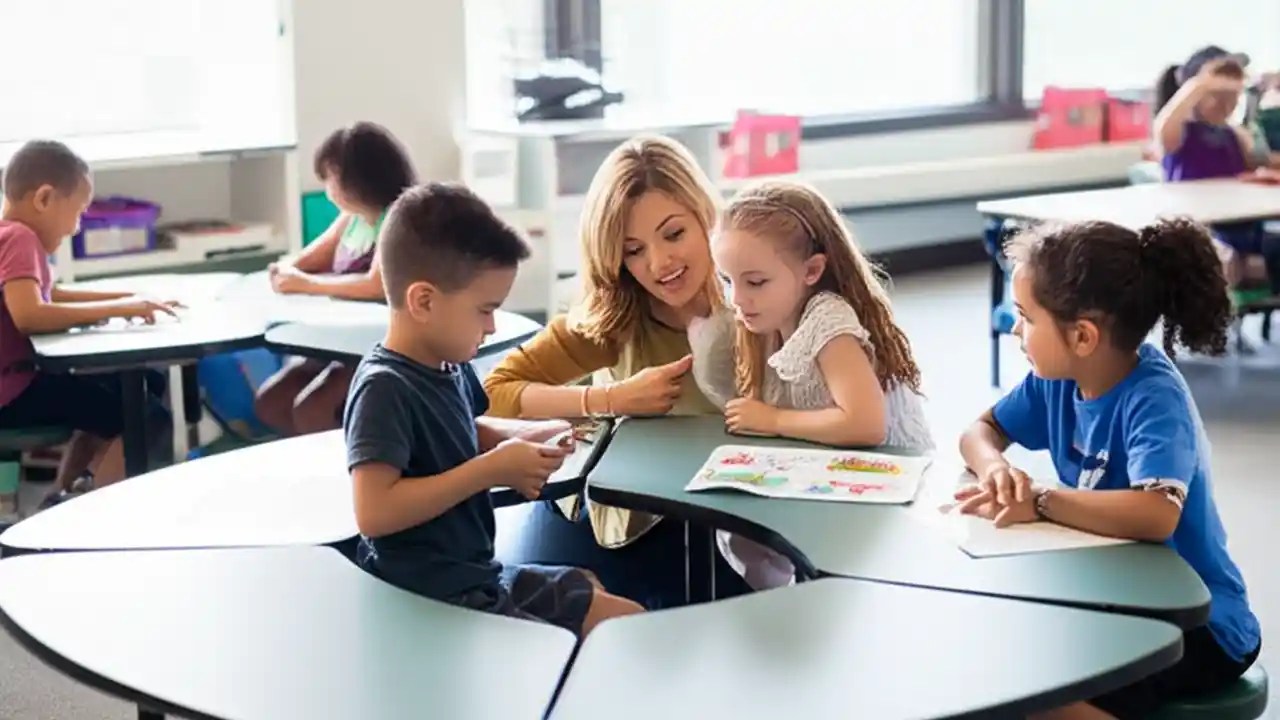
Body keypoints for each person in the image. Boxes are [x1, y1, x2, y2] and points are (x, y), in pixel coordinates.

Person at [957, 218, 1260, 719]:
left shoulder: (1154, 398)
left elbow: (1156, 513)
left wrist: (1041, 501)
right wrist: (995, 470)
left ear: (1082, 336)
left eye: (1026, 317)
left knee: (1032, 693)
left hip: (1200, 621)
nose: (1015, 329)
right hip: (1115, 595)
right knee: (997, 648)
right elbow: (979, 431)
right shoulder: (1055, 379)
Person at [345, 181, 642, 636]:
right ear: (424, 301)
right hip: (430, 596)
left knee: (619, 614)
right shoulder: (384, 388)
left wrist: (530, 435)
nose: (491, 326)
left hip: (476, 576)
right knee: (572, 647)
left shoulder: (448, 363)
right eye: (484, 310)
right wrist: (490, 470)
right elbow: (375, 511)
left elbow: (466, 429)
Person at [483, 134, 748, 607]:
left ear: (705, 216)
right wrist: (612, 399)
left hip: (731, 515)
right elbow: (496, 392)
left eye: (673, 234)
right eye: (633, 250)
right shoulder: (614, 316)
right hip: (625, 526)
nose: (659, 263)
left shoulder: (756, 294)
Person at [706, 179, 932, 589]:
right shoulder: (767, 316)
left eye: (754, 282)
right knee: (741, 532)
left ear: (811, 271)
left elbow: (865, 425)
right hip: (834, 467)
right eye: (727, 280)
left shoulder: (829, 321)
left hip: (889, 487)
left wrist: (773, 420)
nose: (737, 298)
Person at [0, 140, 176, 514]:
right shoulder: (19, 238)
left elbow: (52, 293)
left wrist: (129, 298)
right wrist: (119, 307)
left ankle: (63, 498)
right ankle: (91, 515)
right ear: (44, 199)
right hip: (12, 394)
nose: (76, 226)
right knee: (144, 416)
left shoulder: (8, 235)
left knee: (137, 384)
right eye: (78, 212)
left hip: (14, 387)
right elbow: (29, 314)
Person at [255, 121, 417, 436]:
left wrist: (304, 284)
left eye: (331, 177)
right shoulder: (353, 218)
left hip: (380, 344)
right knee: (272, 402)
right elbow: (309, 260)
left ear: (358, 179)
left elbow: (375, 286)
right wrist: (286, 271)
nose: (328, 187)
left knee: (312, 410)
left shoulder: (400, 217)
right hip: (340, 337)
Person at [1154, 45, 1280, 293]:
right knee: (1224, 259)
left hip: (1243, 226)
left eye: (1232, 99)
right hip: (1203, 231)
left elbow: (1263, 161)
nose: (1226, 106)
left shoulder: (1234, 135)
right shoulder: (1179, 135)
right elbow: (1163, 128)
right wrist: (1201, 85)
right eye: (1217, 98)